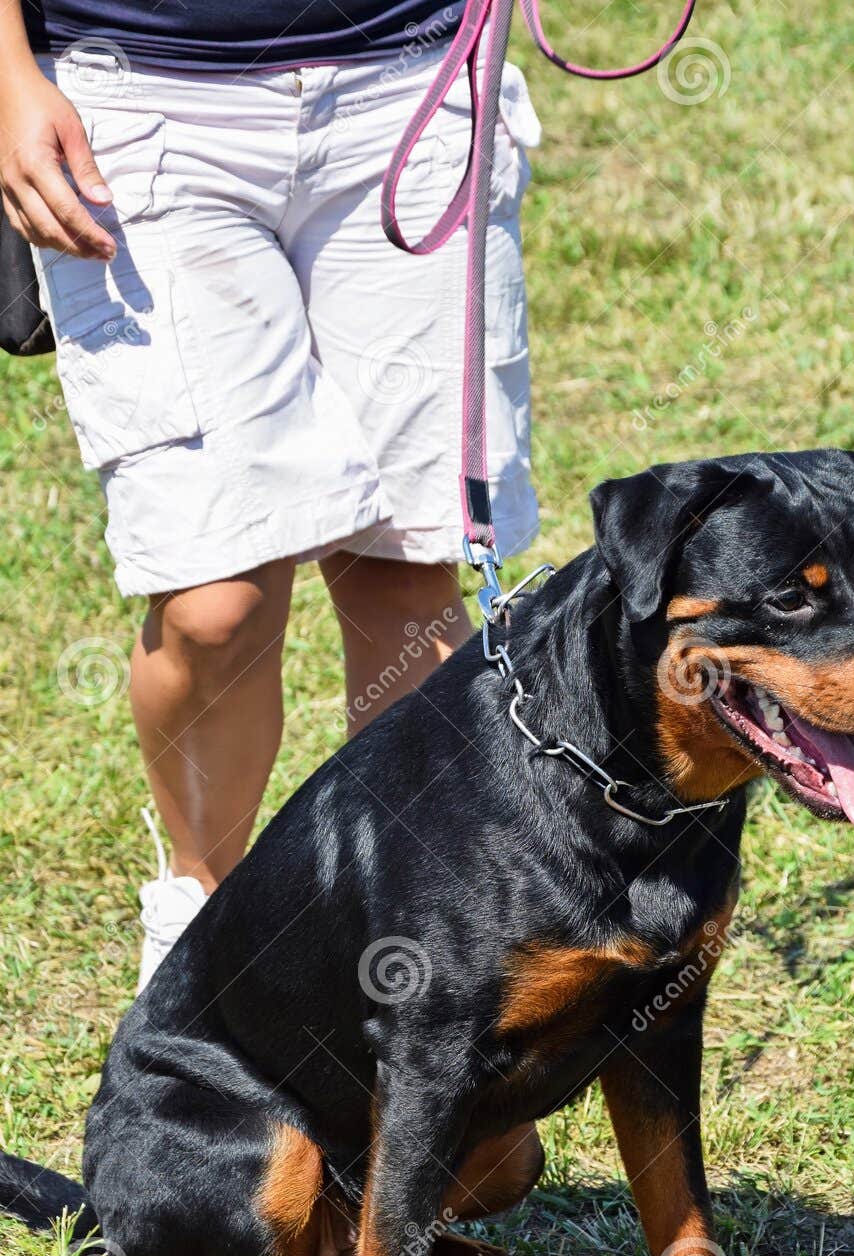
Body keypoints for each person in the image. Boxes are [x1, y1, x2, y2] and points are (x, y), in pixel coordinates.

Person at [0, 2, 539, 986]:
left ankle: (411, 952)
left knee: (409, 577)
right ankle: (207, 949)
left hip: (413, 77)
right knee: (213, 604)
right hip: (140, 98)